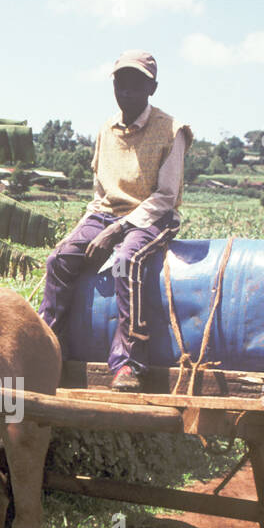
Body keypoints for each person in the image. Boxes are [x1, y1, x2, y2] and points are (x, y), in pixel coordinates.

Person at [39, 49, 192, 391]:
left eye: (136, 84)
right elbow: (100, 195)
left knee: (127, 260)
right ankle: (49, 349)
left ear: (152, 88)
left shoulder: (172, 130)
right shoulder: (106, 130)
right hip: (107, 213)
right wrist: (85, 231)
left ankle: (129, 362)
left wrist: (118, 230)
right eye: (121, 83)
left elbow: (166, 196)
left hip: (154, 215)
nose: (126, 91)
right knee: (60, 259)